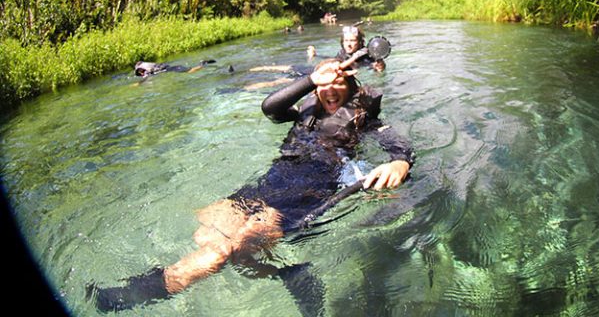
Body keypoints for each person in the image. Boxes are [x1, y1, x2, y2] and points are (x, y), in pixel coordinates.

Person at [89, 59, 413, 312]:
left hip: (307, 195)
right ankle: (290, 275)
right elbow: (269, 108)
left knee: (220, 252)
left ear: (351, 87)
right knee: (206, 232)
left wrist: (399, 163)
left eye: (338, 83)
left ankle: (123, 297)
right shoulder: (304, 113)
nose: (330, 90)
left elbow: (401, 149)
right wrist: (312, 79)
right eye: (323, 85)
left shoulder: (365, 122)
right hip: (267, 184)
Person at [134, 59, 215, 77]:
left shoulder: (146, 70)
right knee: (190, 71)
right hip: (169, 69)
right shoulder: (146, 69)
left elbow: (146, 79)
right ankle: (202, 63)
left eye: (140, 72)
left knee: (191, 71)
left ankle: (203, 64)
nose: (141, 74)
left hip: (172, 69)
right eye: (139, 74)